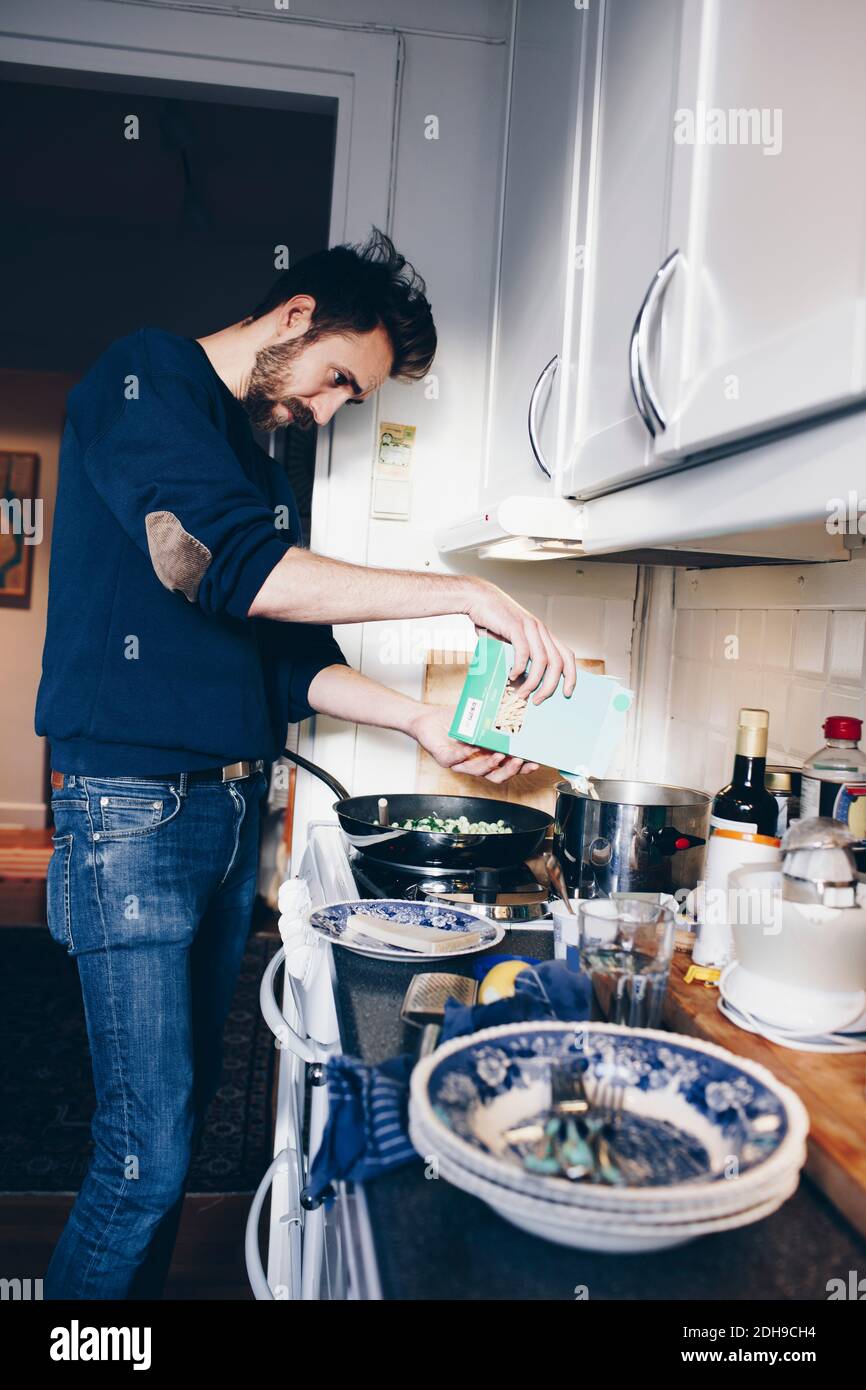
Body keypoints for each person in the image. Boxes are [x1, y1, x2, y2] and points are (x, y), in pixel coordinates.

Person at [36, 228, 576, 1299]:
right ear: (293, 316)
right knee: (141, 1161)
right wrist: (462, 592)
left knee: (172, 1135)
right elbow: (239, 571)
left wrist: (419, 724)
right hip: (132, 817)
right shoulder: (146, 376)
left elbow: (287, 664)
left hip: (224, 817)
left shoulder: (247, 454)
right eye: (337, 380)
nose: (328, 412)